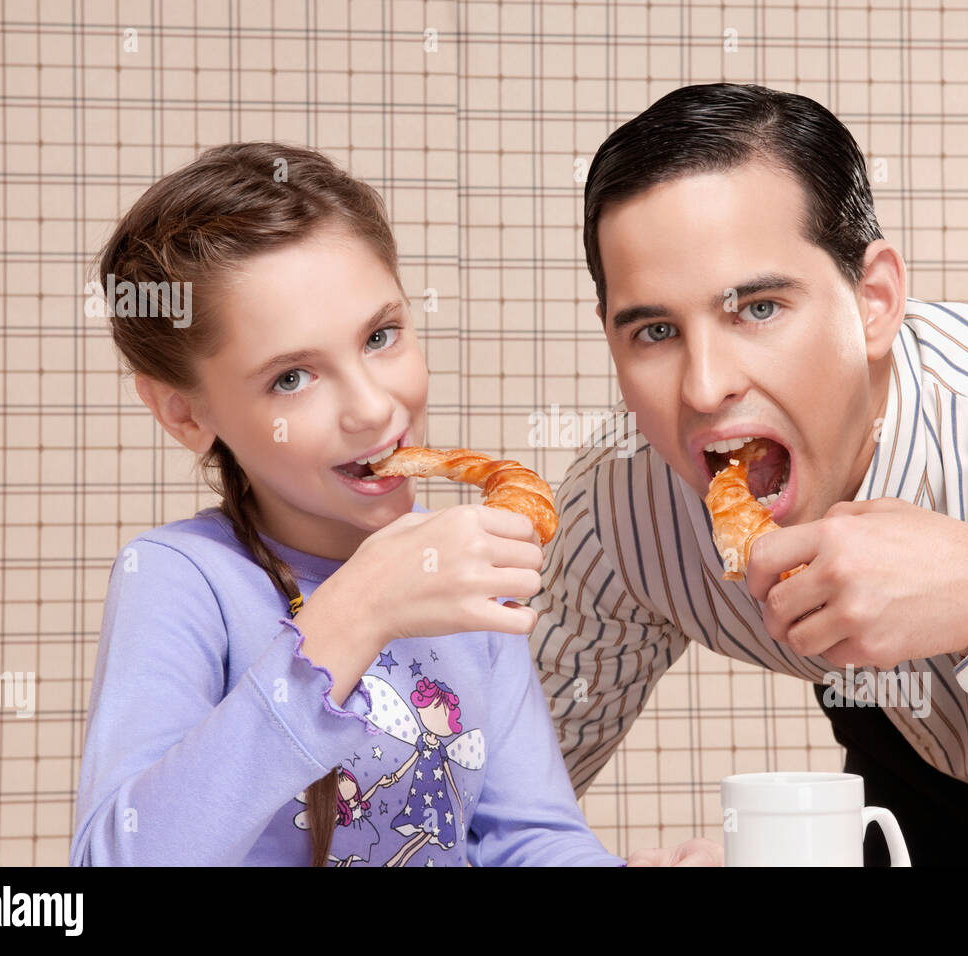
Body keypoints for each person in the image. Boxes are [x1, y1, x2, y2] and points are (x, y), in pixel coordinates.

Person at [528, 83, 968, 867]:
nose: (703, 388)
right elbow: (490, 807)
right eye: (655, 331)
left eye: (757, 309)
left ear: (874, 300)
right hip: (917, 814)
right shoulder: (625, 508)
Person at [70, 142, 639, 866]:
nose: (373, 408)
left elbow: (530, 839)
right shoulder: (181, 581)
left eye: (381, 335)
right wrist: (353, 616)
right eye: (291, 378)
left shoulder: (461, 575)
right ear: (185, 414)